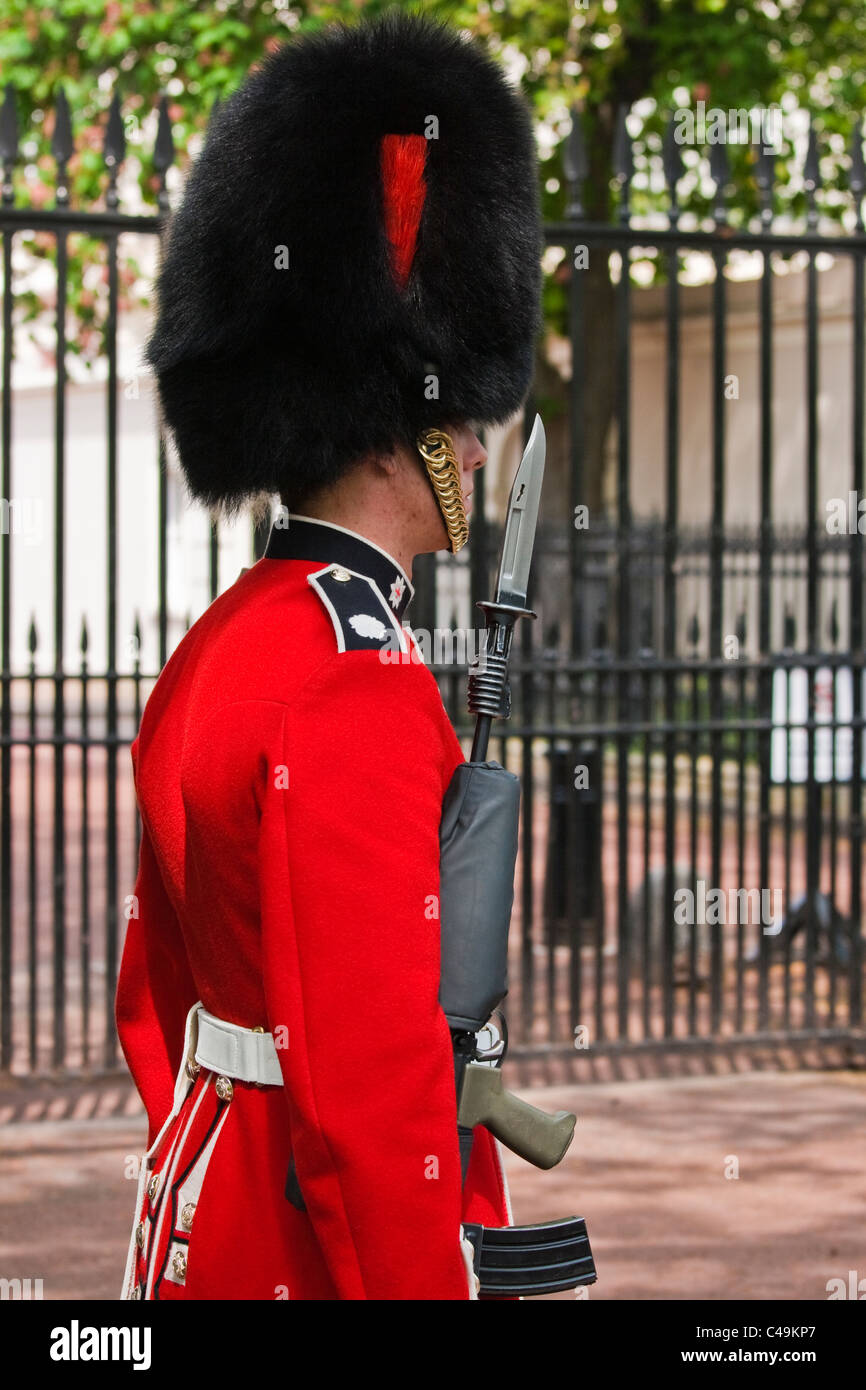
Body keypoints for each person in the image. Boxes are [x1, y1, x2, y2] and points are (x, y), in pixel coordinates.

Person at [116, 8, 541, 1300]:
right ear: (384, 426)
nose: (474, 447)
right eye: (457, 416)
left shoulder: (222, 647)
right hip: (309, 1251)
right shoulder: (351, 679)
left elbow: (160, 1003)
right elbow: (366, 1093)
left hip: (205, 1211)